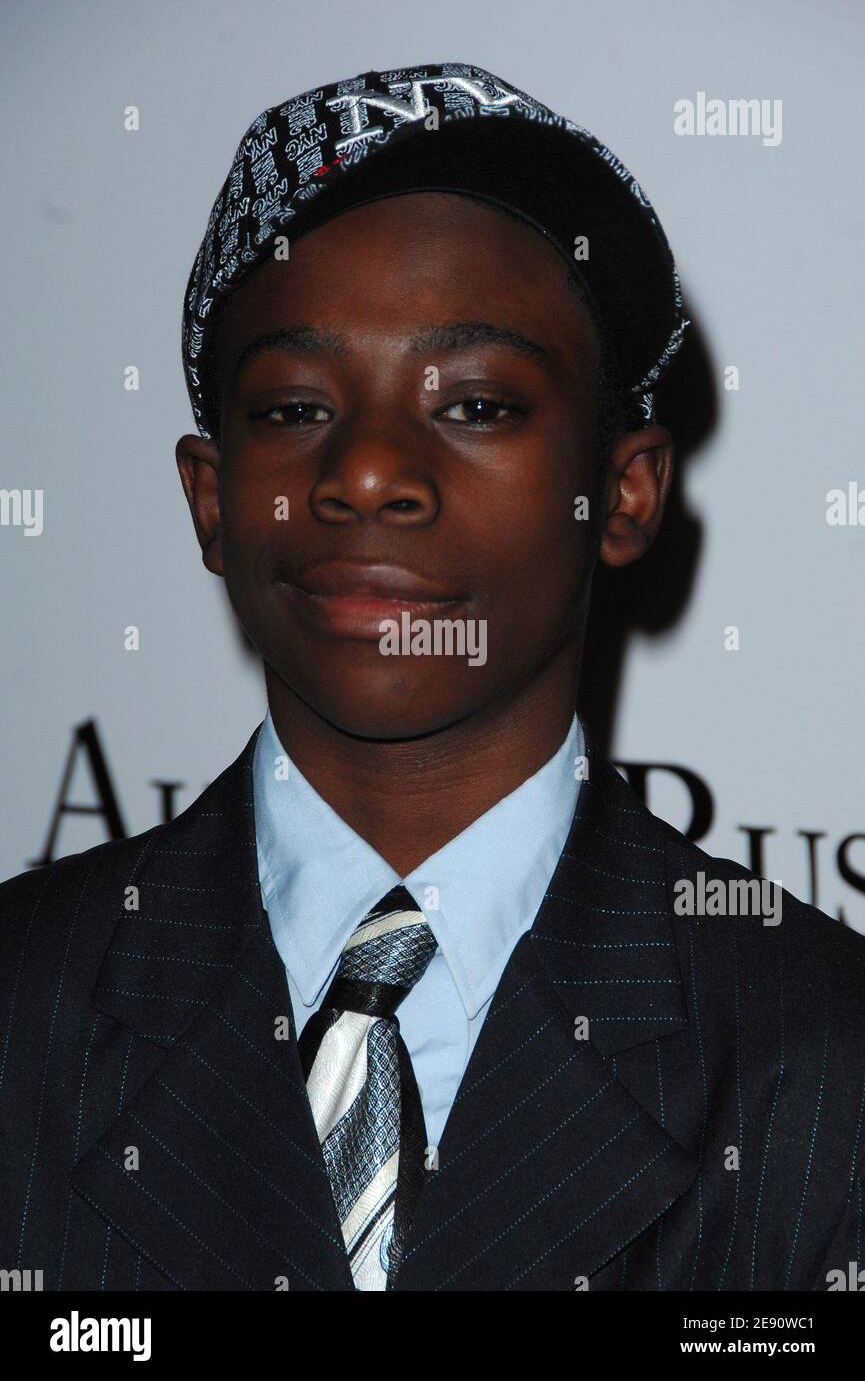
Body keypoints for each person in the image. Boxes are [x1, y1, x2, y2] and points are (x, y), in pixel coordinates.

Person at [2, 62, 864, 1293]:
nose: (364, 472)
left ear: (623, 493)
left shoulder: (819, 1055)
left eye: (473, 402)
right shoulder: (23, 1003)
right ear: (210, 499)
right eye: (295, 407)